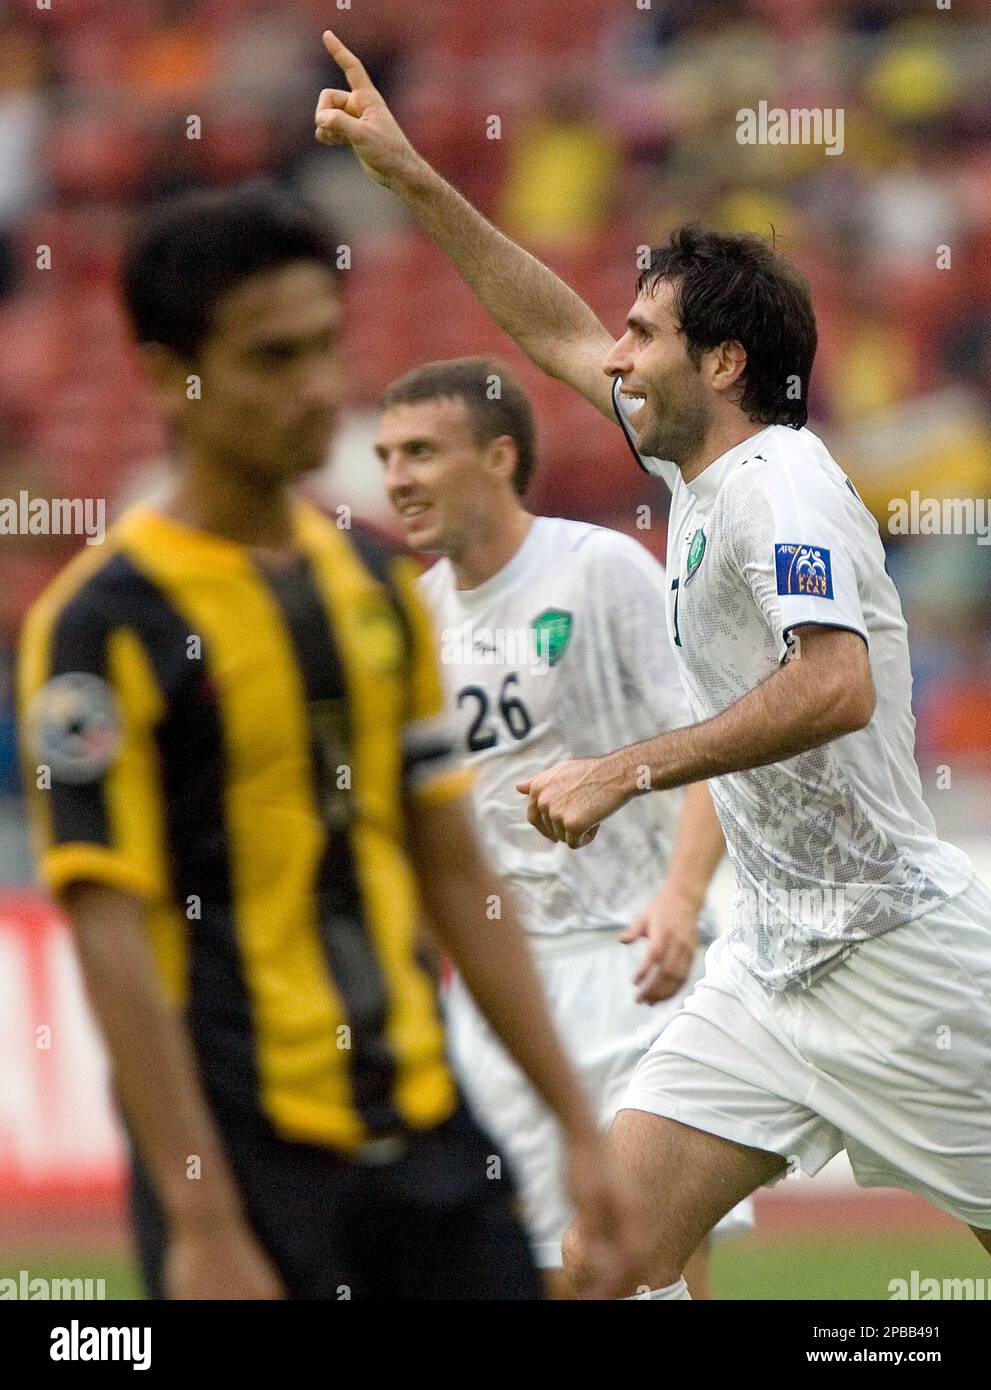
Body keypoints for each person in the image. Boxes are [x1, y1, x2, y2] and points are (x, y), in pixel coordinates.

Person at [314, 30, 991, 1299]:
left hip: (902, 958)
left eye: (642, 334)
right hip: (769, 969)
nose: (614, 357)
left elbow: (833, 682)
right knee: (603, 1259)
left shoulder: (781, 482)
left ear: (723, 362)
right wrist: (411, 178)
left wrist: (620, 769)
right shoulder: (699, 472)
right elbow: (552, 330)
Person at [16, 182, 640, 1301]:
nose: (315, 387)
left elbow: (452, 865)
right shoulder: (100, 627)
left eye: (325, 347)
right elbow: (110, 934)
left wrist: (575, 1125)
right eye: (271, 357)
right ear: (168, 377)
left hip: (428, 1125)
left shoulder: (375, 588)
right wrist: (201, 1219)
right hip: (247, 1161)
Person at [375, 356, 753, 1297]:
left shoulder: (598, 571)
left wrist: (679, 901)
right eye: (386, 457)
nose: (397, 479)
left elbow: (710, 741)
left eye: (421, 452)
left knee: (651, 1267)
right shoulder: (415, 620)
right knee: (548, 1278)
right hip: (506, 995)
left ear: (499, 457)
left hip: (632, 963)